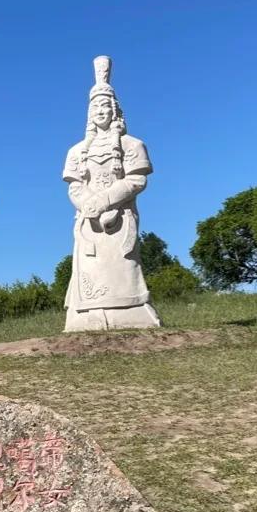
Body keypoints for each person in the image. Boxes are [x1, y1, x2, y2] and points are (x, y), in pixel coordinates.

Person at [62, 56, 161, 332]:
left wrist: (107, 201)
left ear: (115, 110)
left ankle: (133, 313)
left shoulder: (132, 144)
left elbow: (137, 180)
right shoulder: (76, 151)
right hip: (89, 223)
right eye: (95, 107)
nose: (100, 111)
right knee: (90, 271)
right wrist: (88, 205)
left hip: (121, 218)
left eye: (105, 105)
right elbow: (74, 185)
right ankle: (87, 317)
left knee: (122, 266)